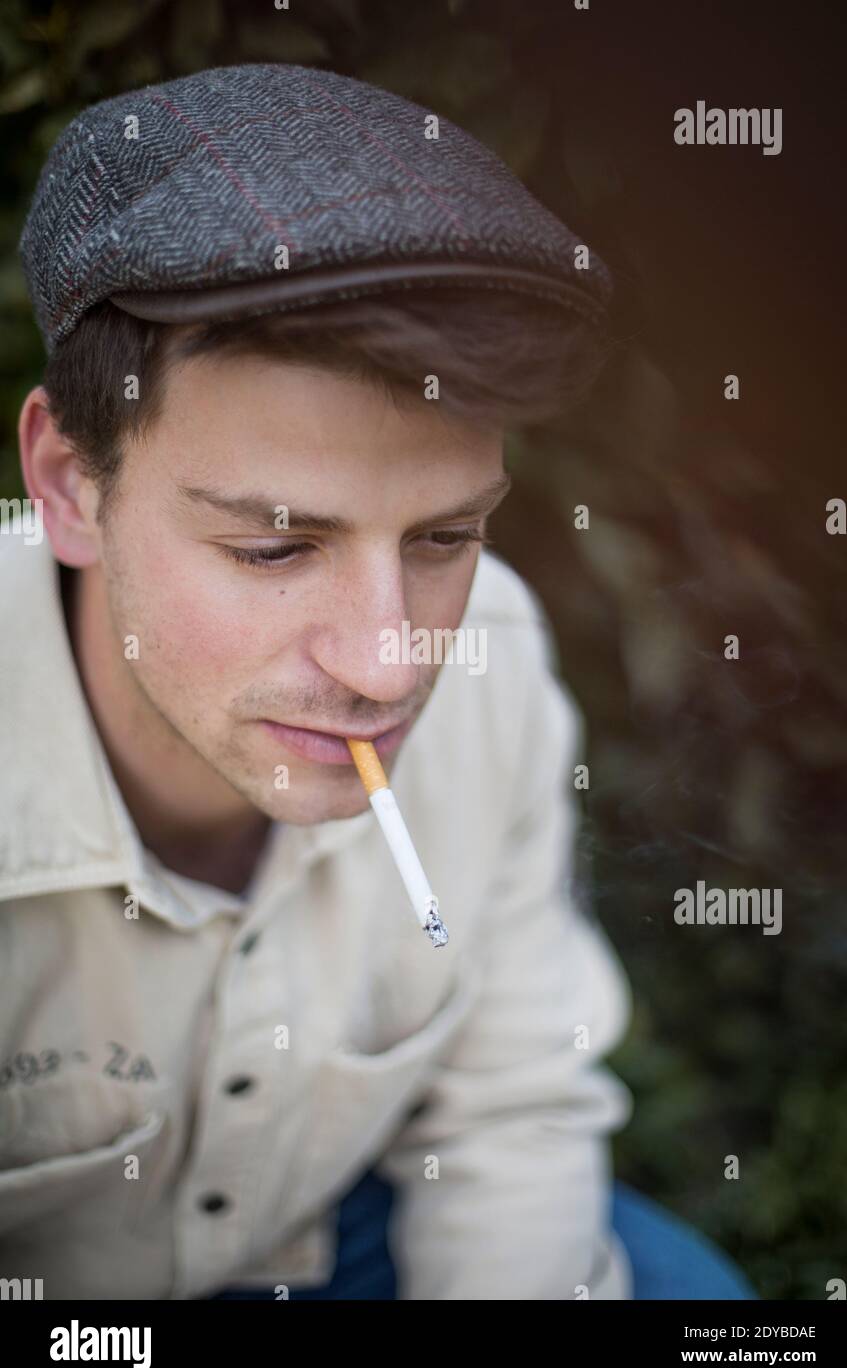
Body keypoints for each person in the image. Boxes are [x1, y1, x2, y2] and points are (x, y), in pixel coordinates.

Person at [1, 62, 756, 1300]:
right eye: (275, 547)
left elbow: (507, 1107)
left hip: (328, 1226)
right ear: (72, 484)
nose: (391, 661)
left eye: (442, 539)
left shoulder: (492, 653)